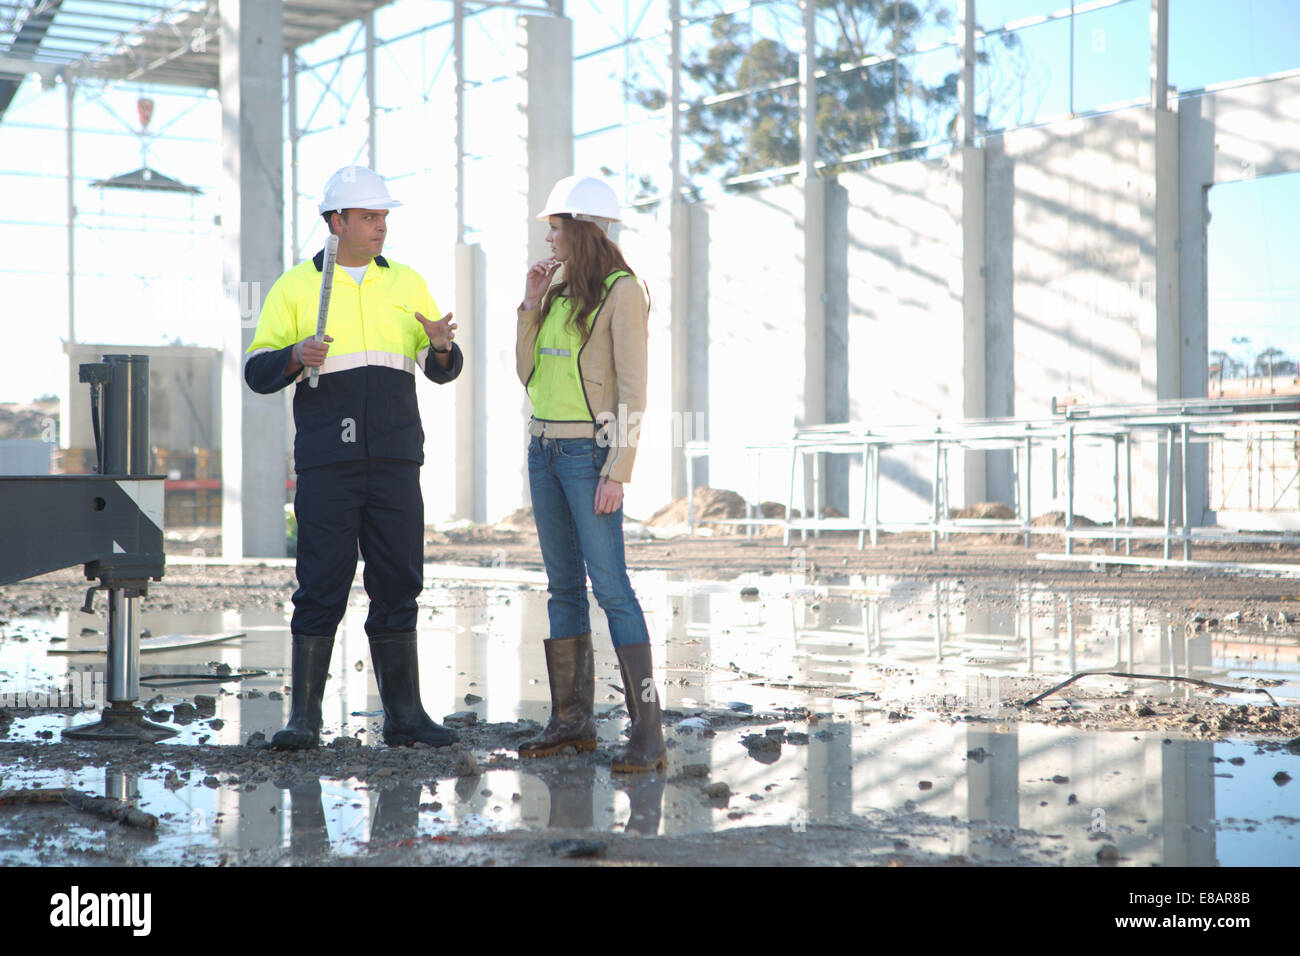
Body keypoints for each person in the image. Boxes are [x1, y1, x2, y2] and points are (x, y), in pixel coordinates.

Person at [244, 165, 463, 750]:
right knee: (320, 586)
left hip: (395, 461)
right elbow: (257, 371)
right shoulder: (295, 287)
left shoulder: (408, 282)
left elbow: (442, 371)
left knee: (399, 585)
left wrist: (442, 346)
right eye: (369, 217)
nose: (380, 227)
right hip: (328, 465)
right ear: (335, 222)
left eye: (384, 217)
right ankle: (304, 721)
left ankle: (406, 717)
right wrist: (294, 353)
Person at [514, 175, 665, 773]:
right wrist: (529, 305)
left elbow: (634, 389)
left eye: (555, 226)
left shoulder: (622, 291)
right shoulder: (553, 288)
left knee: (613, 589)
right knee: (562, 588)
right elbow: (527, 372)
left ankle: (648, 732)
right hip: (543, 450)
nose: (548, 237)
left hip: (587, 457)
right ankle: (573, 722)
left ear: (580, 227)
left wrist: (617, 471)